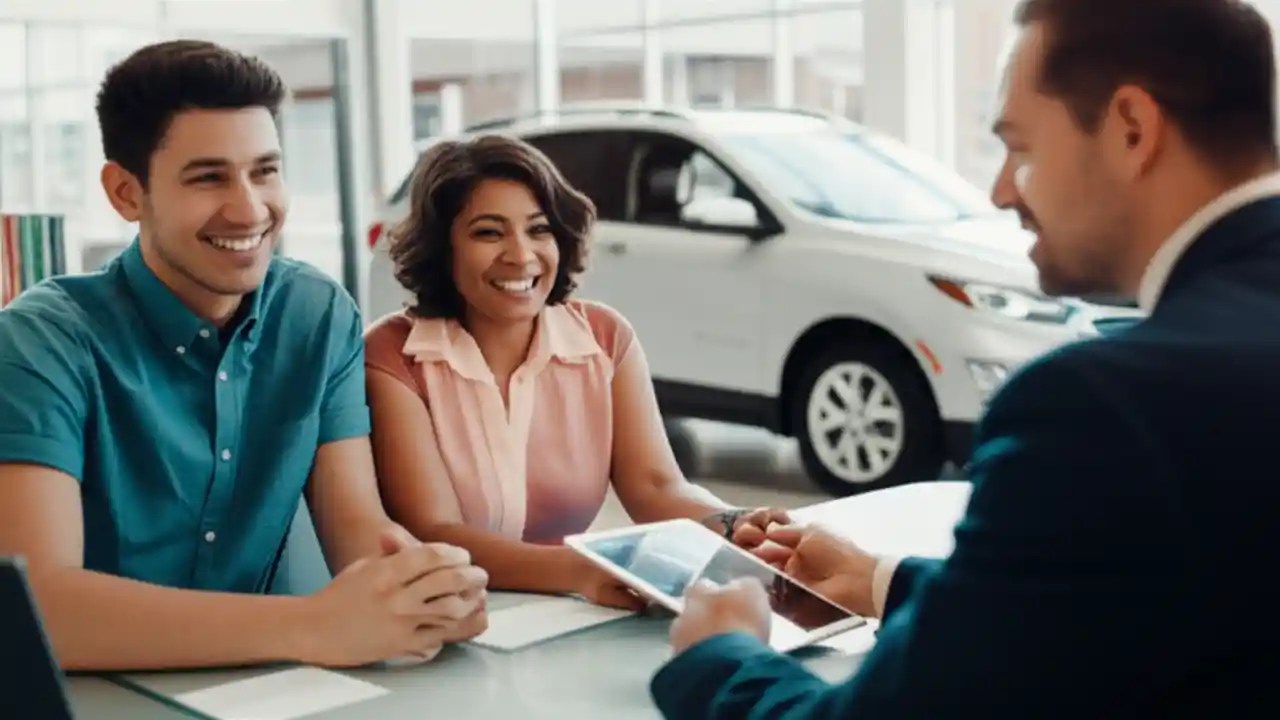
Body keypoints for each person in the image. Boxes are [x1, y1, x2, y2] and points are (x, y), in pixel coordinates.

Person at [649, 0, 1280, 716]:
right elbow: (1181, 592)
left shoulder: (1102, 406)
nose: (1001, 189)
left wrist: (719, 655)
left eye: (1022, 148)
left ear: (1131, 128)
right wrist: (884, 582)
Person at [0, 40, 488, 672]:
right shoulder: (40, 342)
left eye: (265, 170)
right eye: (209, 177)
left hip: (259, 687)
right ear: (126, 193)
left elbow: (359, 537)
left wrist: (426, 593)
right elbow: (39, 610)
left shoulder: (317, 314)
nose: (250, 208)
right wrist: (313, 626)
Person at [363, 135, 790, 610]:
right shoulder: (393, 355)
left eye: (539, 230)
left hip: (566, 614)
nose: (521, 255)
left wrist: (734, 523)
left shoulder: (605, 339)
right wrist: (580, 570)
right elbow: (434, 530)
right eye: (488, 232)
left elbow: (657, 488)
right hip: (440, 616)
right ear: (443, 249)